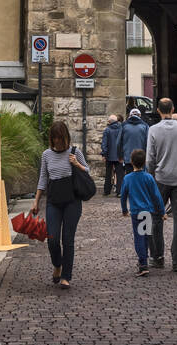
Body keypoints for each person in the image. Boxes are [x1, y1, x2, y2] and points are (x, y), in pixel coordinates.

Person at [32, 120, 90, 289]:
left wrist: (76, 164)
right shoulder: (46, 155)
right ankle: (57, 264)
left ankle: (66, 276)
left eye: (60, 138)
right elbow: (43, 178)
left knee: (68, 239)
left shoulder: (75, 152)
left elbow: (88, 171)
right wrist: (36, 201)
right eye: (54, 138)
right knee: (52, 239)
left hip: (72, 201)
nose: (57, 141)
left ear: (65, 137)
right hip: (54, 201)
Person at [146, 97, 177, 272]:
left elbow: (150, 159)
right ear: (173, 109)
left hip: (160, 178)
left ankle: (158, 256)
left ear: (158, 110)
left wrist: (150, 178)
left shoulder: (153, 130)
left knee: (156, 217)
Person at [121, 147, 165, 275]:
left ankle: (143, 263)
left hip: (136, 212)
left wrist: (124, 210)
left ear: (132, 162)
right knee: (146, 236)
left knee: (139, 237)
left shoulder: (128, 178)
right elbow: (156, 196)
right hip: (148, 212)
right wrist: (162, 211)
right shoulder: (149, 177)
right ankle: (145, 260)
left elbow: (123, 196)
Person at [119, 108, 150, 174]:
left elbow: (119, 142)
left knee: (129, 176)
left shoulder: (124, 126)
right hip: (141, 157)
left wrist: (120, 156)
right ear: (140, 115)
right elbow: (148, 143)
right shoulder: (145, 126)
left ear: (129, 115)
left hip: (128, 157)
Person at [100, 113, 123, 196]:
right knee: (120, 174)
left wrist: (104, 154)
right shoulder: (121, 128)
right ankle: (119, 191)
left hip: (109, 155)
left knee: (108, 174)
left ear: (110, 121)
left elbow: (104, 144)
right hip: (119, 155)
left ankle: (107, 190)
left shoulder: (107, 130)